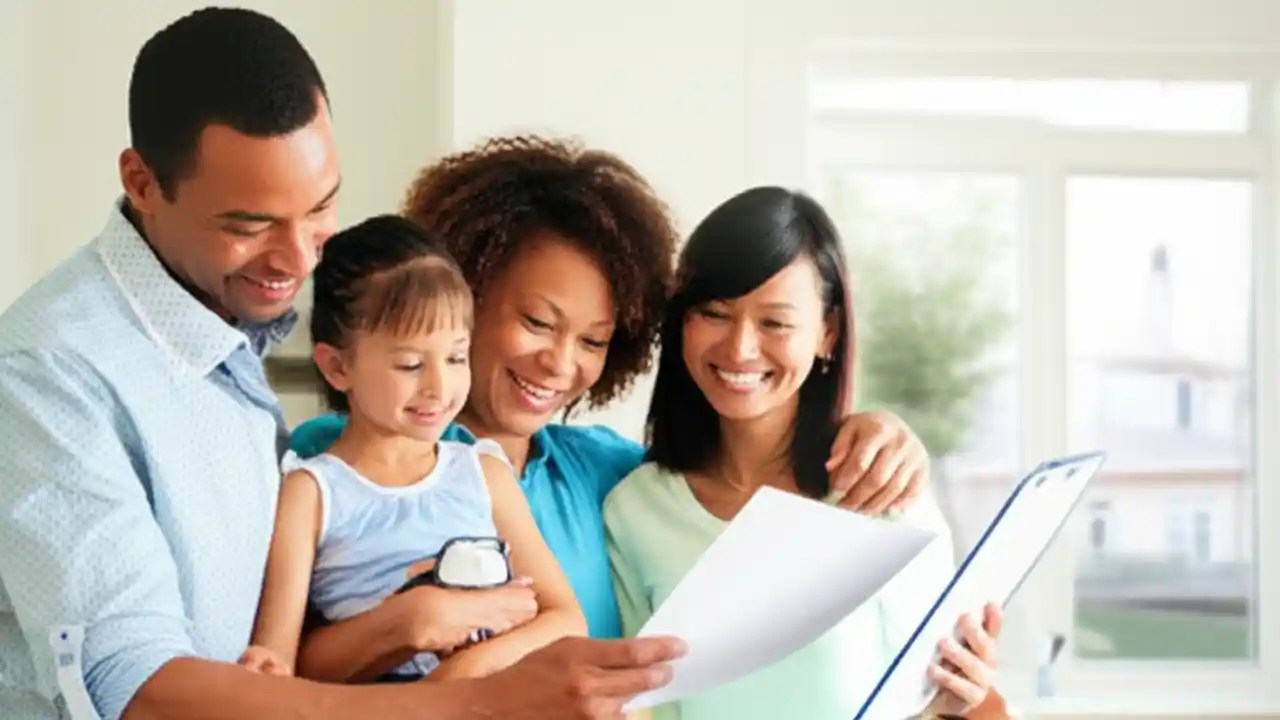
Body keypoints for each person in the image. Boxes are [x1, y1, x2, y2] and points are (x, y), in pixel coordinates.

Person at [0, 9, 682, 720]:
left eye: (321, 207)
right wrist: (469, 700)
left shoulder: (228, 338)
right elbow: (138, 693)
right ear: (142, 183)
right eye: (249, 224)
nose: (300, 262)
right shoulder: (47, 371)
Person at [289, 138, 939, 679]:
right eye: (538, 322)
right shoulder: (335, 457)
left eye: (594, 341)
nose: (559, 363)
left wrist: (873, 429)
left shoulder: (607, 475)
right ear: (463, 297)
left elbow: (726, 475)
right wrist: (407, 625)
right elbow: (281, 665)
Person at [605, 186, 1001, 719]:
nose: (740, 348)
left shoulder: (880, 487)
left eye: (775, 323)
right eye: (715, 313)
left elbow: (952, 699)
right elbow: (647, 712)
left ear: (828, 333)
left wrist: (965, 703)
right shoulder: (635, 511)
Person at [237, 215, 585, 683]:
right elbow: (286, 661)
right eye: (410, 364)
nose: (440, 386)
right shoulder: (313, 492)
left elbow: (565, 619)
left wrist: (461, 671)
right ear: (338, 367)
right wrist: (411, 622)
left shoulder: (482, 472)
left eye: (457, 357)